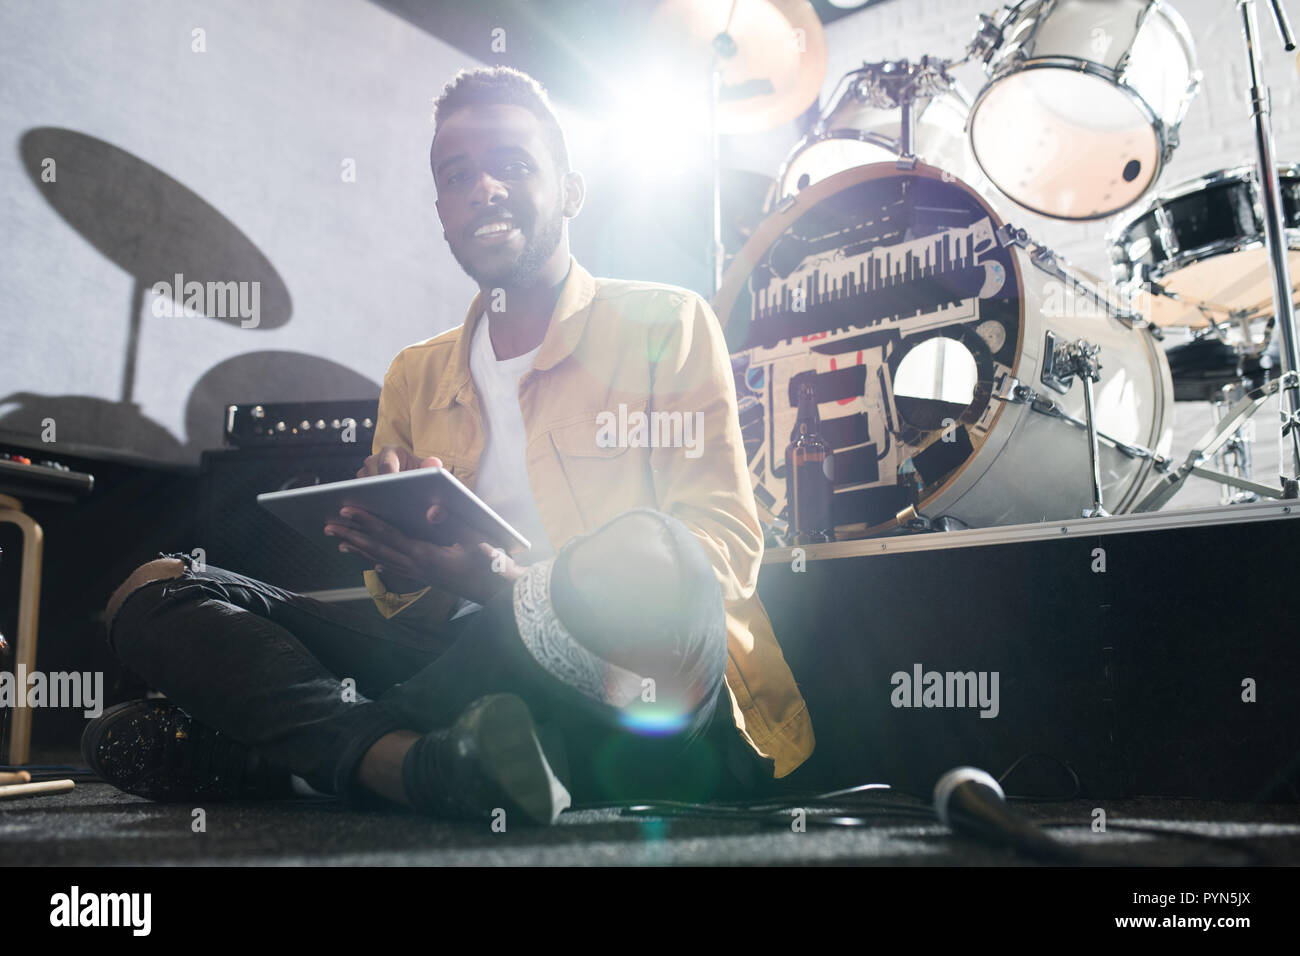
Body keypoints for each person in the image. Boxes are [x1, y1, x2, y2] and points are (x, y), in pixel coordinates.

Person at [86, 66, 813, 824]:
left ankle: (321, 754)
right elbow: (398, 606)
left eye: (513, 165)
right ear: (442, 210)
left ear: (569, 190)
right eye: (457, 175)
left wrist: (510, 583)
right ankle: (430, 763)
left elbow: (719, 552)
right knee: (157, 587)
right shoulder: (415, 373)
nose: (484, 189)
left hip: (628, 683)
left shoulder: (669, 322)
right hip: (459, 659)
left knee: (648, 547)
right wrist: (392, 541)